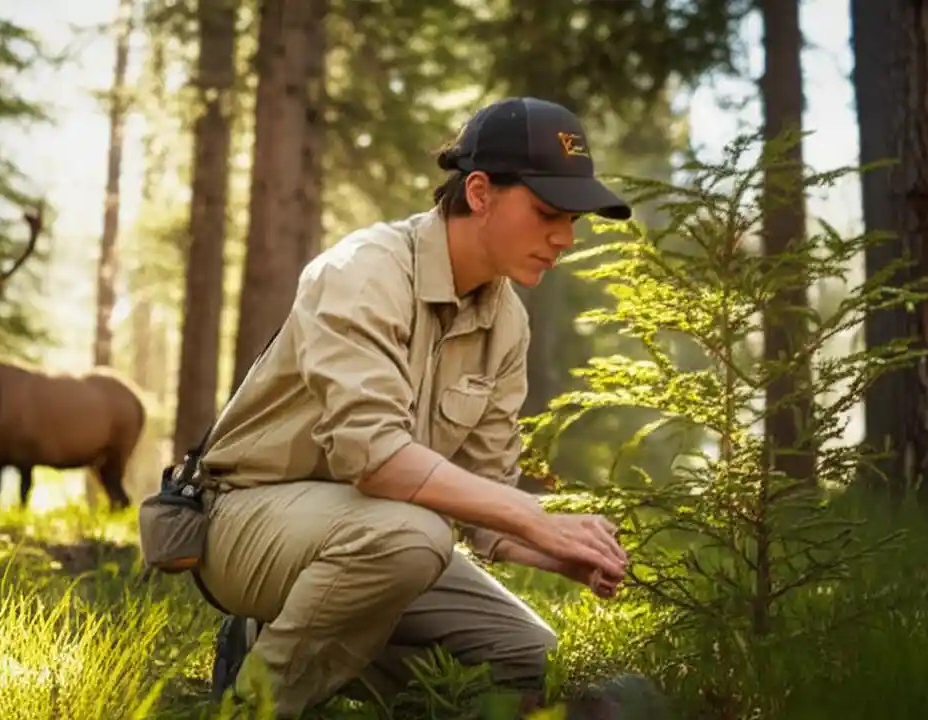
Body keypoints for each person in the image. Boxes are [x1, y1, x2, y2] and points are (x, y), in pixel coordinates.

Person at [193, 96, 634, 718]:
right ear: (479, 193)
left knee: (533, 660)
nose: (564, 238)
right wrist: (531, 515)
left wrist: (554, 550)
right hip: (244, 523)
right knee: (416, 536)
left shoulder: (507, 321)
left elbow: (483, 503)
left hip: (380, 541)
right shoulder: (363, 271)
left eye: (574, 220)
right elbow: (374, 459)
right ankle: (255, 704)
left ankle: (291, 648)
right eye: (546, 213)